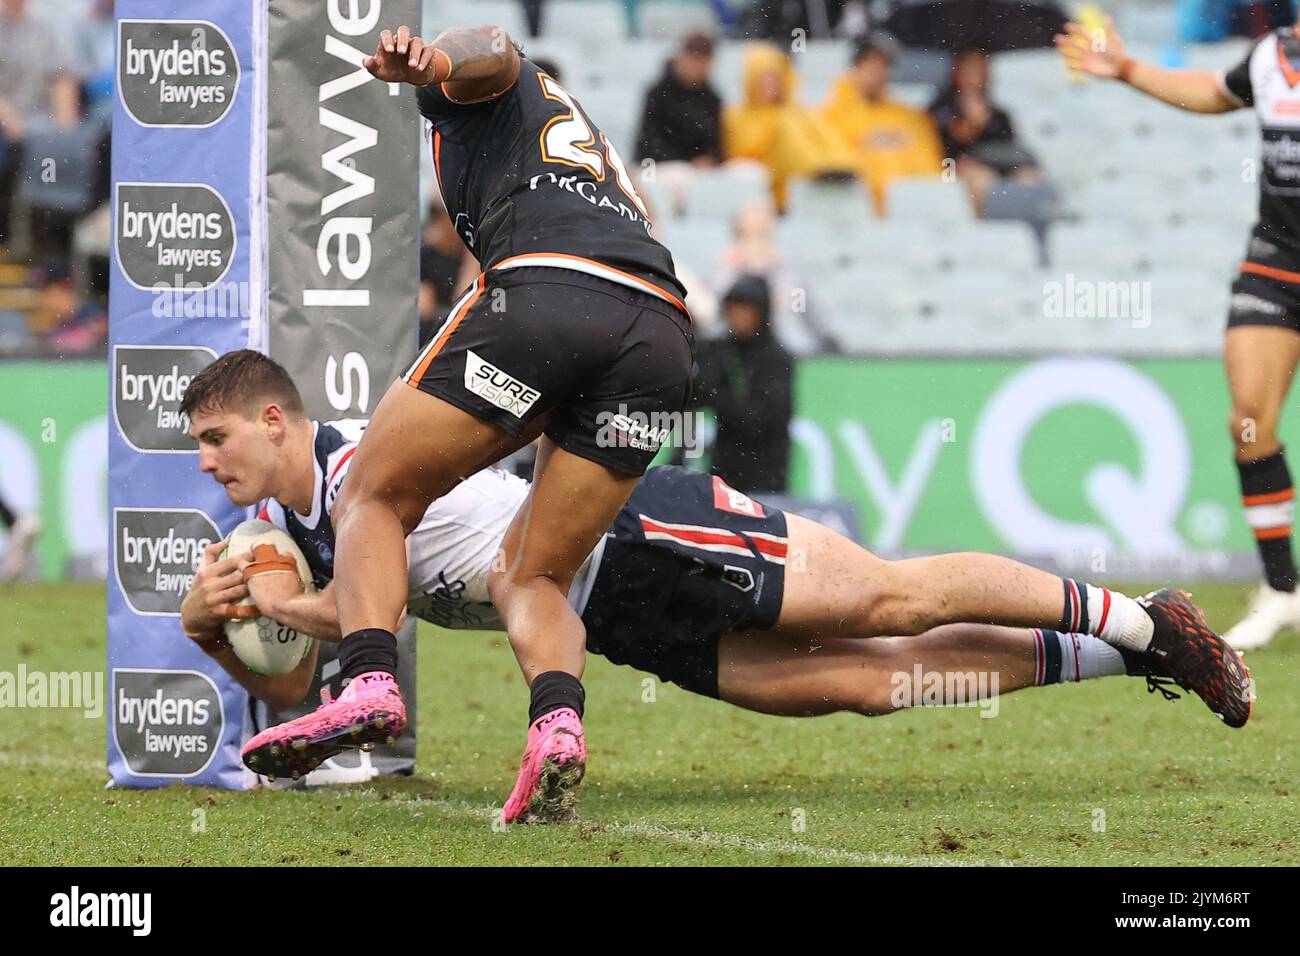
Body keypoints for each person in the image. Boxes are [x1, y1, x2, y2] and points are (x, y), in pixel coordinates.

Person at [179, 351, 1253, 808]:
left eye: (217, 436)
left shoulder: (363, 469)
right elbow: (299, 696)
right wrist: (208, 628)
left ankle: (1142, 616)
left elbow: (372, 608)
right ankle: (1117, 660)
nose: (208, 462)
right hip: (622, 621)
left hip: (644, 533)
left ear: (277, 417)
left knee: (891, 598)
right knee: (869, 681)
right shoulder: (302, 527)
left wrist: (265, 603)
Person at [242, 24, 698, 824]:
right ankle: (557, 723)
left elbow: (493, 46)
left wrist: (438, 63)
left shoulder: (486, 93)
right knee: (533, 572)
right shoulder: (574, 146)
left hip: (549, 296)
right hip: (660, 338)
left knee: (372, 497)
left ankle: (368, 681)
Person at [1056, 17, 1300, 650]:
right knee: (1249, 418)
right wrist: (1130, 70)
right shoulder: (1272, 55)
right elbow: (1214, 93)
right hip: (1275, 262)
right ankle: (1282, 590)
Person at [820, 35, 945, 215]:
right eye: (868, 63)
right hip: (853, 213)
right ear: (854, 67)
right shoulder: (829, 115)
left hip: (910, 216)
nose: (875, 71)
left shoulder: (910, 117)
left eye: (882, 64)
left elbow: (931, 170)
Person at [723, 42, 858, 210]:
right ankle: (817, 168)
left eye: (776, 77)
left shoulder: (800, 112)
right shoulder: (738, 115)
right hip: (764, 179)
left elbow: (828, 137)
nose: (771, 84)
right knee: (786, 128)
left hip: (795, 181)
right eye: (764, 78)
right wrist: (773, 136)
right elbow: (741, 148)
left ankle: (840, 165)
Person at [694, 273, 794, 494]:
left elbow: (761, 420)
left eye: (745, 309)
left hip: (766, 478)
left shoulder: (777, 359)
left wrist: (717, 398)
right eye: (733, 309)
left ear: (761, 311)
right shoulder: (719, 350)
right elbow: (693, 397)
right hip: (724, 476)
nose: (738, 316)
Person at [927, 48, 1041, 217]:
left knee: (1029, 178)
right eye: (970, 69)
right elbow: (944, 147)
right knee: (981, 180)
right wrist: (972, 126)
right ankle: (982, 231)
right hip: (948, 168)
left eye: (980, 69)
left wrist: (984, 122)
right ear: (957, 72)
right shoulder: (942, 109)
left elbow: (1006, 145)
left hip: (992, 164)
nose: (975, 76)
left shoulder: (998, 114)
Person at [636, 32, 723, 168]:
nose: (698, 67)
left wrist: (708, 158)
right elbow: (648, 144)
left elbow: (715, 144)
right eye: (694, 60)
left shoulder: (712, 99)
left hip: (699, 174)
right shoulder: (658, 95)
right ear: (681, 58)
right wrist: (682, 164)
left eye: (703, 61)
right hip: (659, 169)